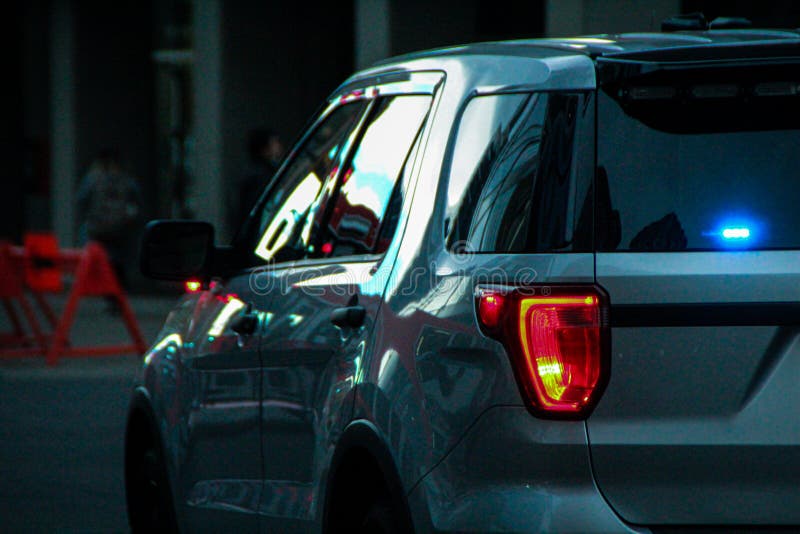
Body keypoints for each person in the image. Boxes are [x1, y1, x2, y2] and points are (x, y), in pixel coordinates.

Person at [76, 148, 142, 294]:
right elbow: (137, 201)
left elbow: (81, 201)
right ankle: (119, 288)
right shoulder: (127, 180)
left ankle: (100, 286)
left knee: (97, 254)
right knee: (118, 258)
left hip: (96, 227)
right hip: (120, 227)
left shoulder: (92, 179)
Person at [233, 129, 284, 231]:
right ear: (264, 149)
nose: (279, 147)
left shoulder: (260, 174)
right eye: (274, 143)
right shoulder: (261, 178)